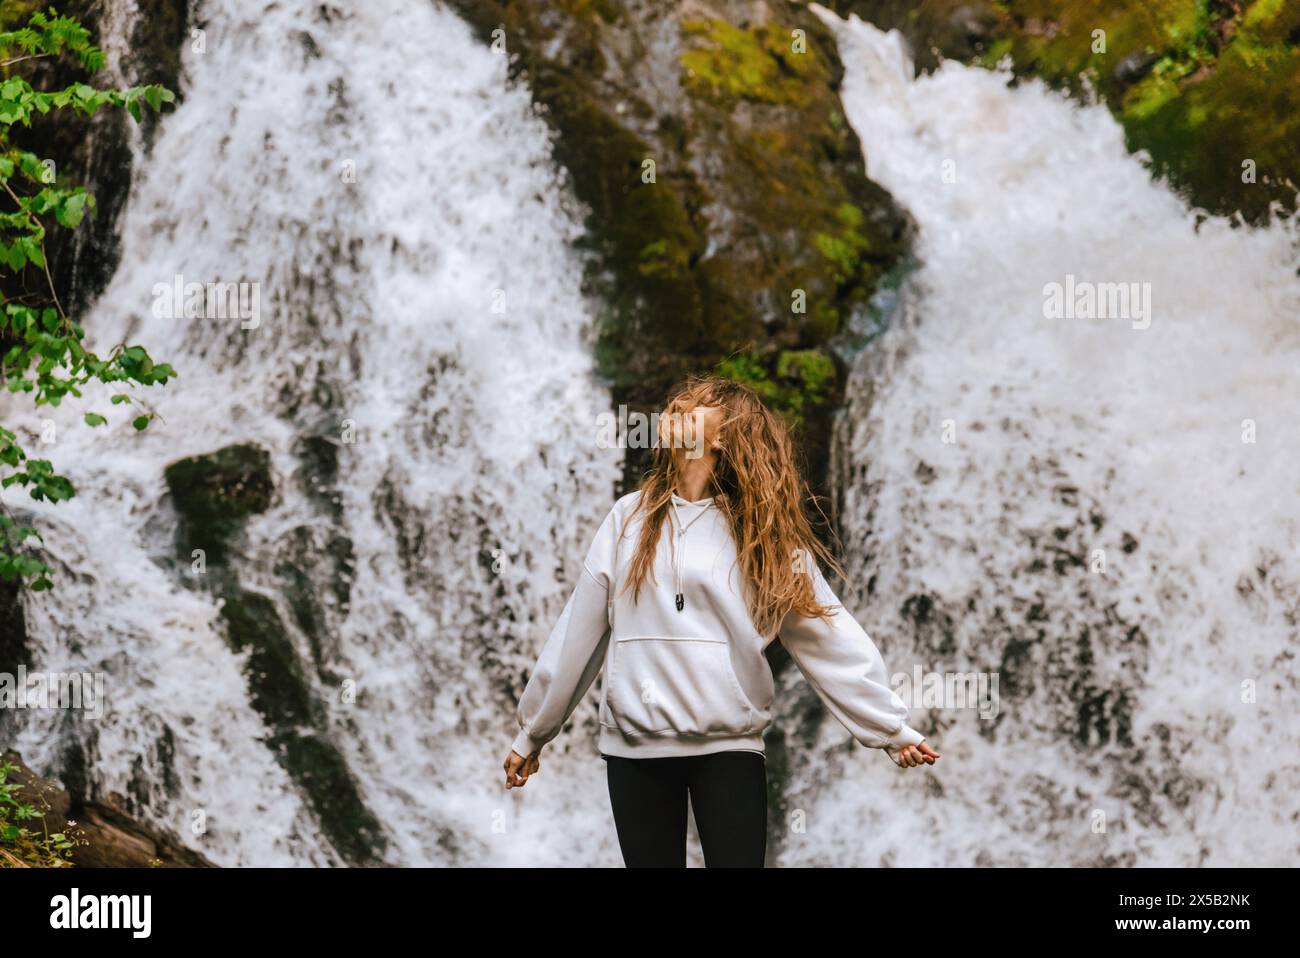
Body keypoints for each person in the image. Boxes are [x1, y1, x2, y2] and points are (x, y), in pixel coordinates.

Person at [502, 373, 940, 866]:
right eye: (678, 399)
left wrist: (888, 727)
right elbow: (576, 636)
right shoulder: (627, 518)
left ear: (724, 434)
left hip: (728, 751)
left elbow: (827, 635)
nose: (677, 405)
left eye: (699, 404)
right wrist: (534, 732)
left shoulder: (763, 533)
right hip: (636, 752)